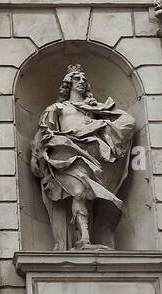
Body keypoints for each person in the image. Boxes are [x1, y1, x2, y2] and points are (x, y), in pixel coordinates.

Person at [30, 64, 136, 249]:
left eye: (84, 80)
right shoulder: (57, 108)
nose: (81, 82)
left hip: (92, 154)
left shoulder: (94, 109)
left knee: (86, 194)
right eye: (77, 78)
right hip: (67, 153)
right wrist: (34, 156)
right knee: (78, 192)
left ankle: (87, 237)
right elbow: (43, 133)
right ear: (68, 83)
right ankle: (84, 238)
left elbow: (128, 122)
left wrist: (102, 120)